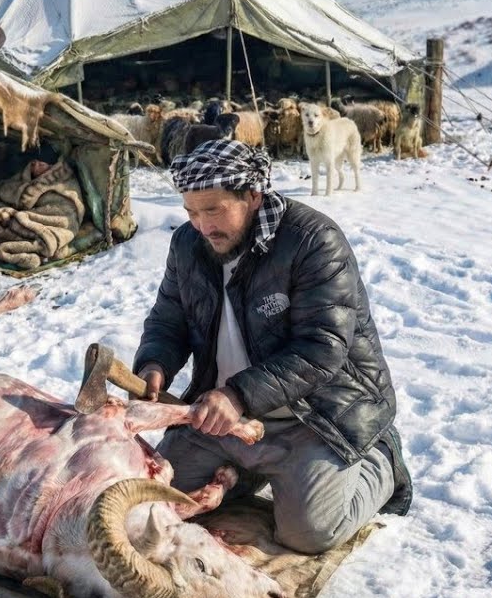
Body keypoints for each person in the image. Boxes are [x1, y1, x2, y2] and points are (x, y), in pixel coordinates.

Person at [132, 139, 412, 554]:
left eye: (213, 210)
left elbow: (322, 349)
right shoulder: (189, 246)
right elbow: (168, 319)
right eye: (192, 211)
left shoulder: (314, 242)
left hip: (315, 416)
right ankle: (248, 471)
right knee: (151, 503)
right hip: (222, 419)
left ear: (252, 195)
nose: (202, 225)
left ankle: (377, 459)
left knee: (309, 533)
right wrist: (154, 364)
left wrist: (238, 394)